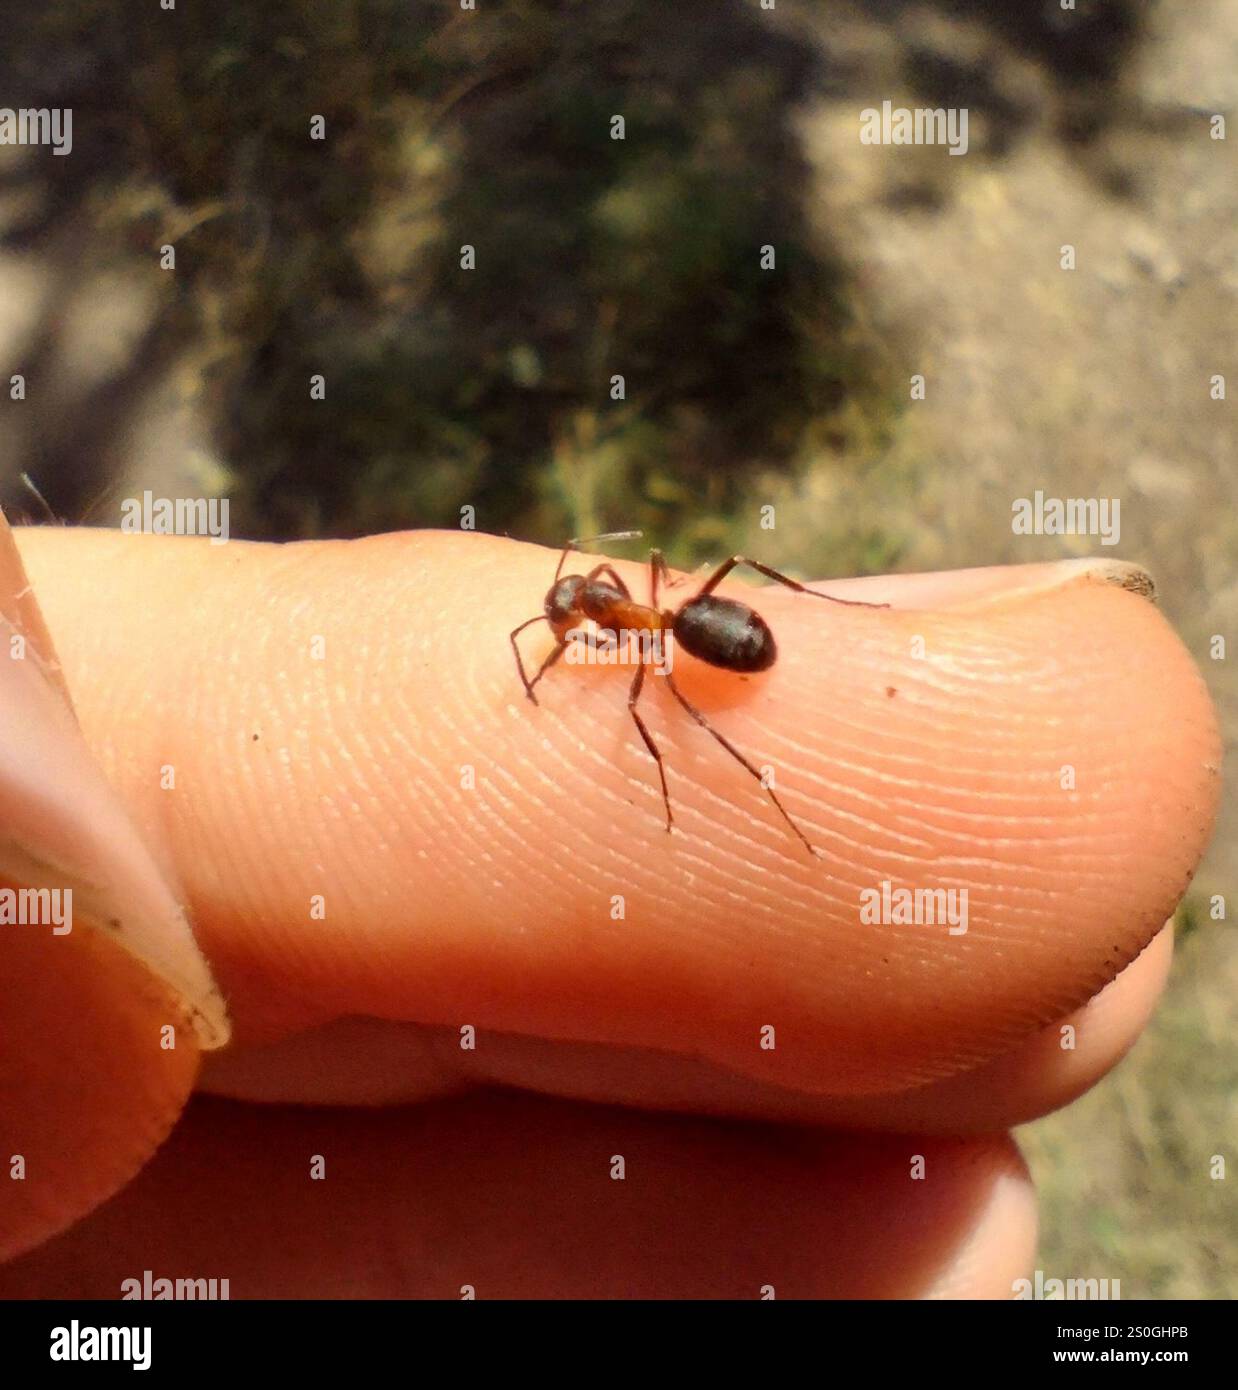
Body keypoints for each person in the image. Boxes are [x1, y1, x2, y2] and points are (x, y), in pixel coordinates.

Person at [0, 524, 1220, 1298]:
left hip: (724, 637)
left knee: (665, 713)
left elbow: (631, 651)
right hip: (702, 639)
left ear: (602, 602)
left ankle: (814, 701)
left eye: (576, 609)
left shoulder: (650, 626)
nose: (577, 619)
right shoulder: (624, 619)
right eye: (578, 613)